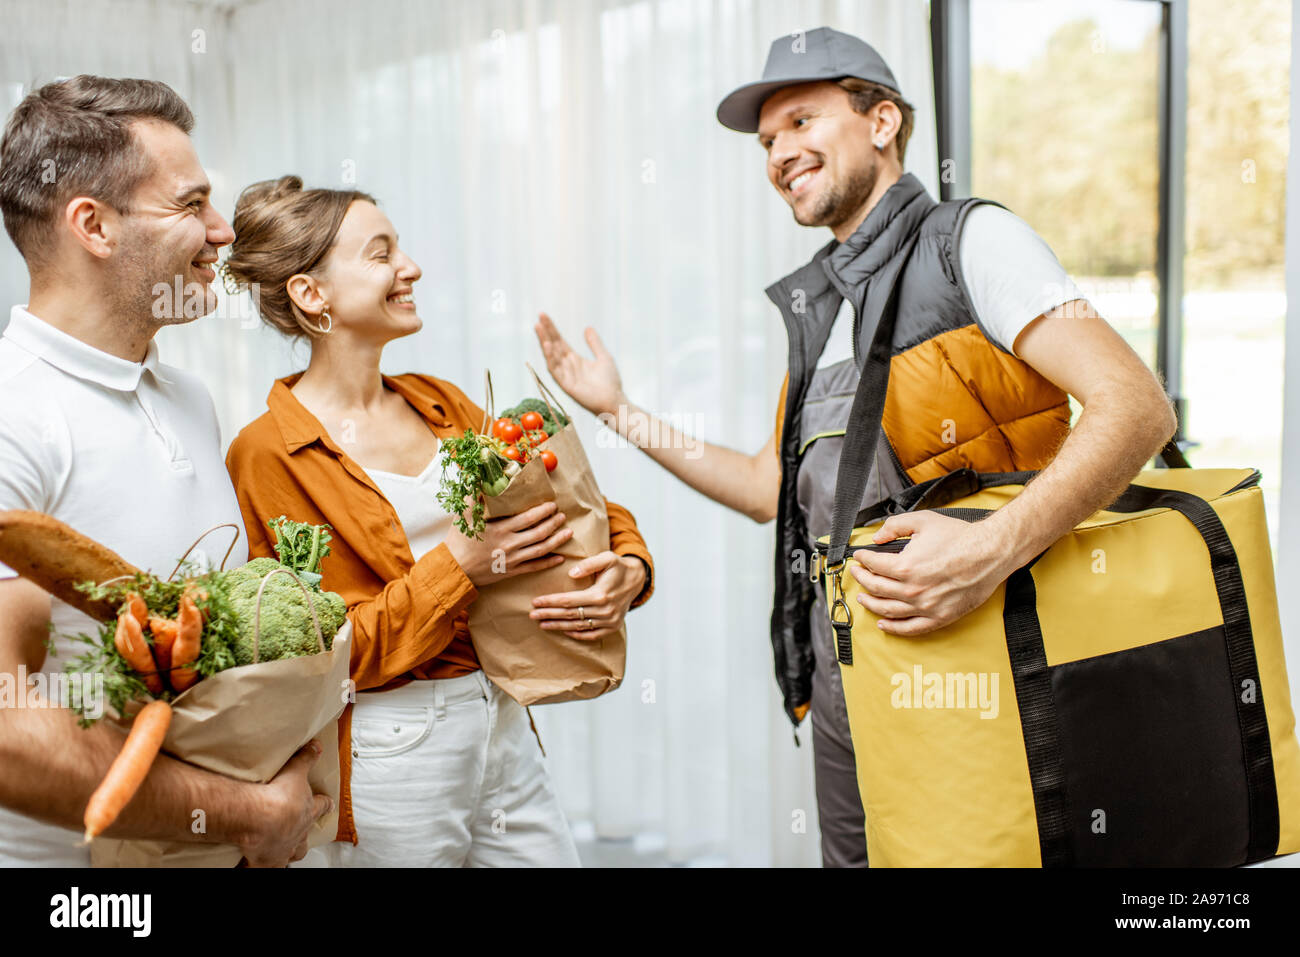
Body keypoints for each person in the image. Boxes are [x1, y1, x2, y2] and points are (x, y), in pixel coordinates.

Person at [535, 26, 1176, 867]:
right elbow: (775, 490)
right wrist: (622, 412)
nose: (779, 153)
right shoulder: (824, 308)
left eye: (801, 122)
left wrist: (990, 549)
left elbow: (1136, 407)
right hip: (849, 673)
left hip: (986, 654)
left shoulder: (971, 242)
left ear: (882, 123)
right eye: (768, 141)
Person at [221, 176, 655, 867]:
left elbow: (567, 499)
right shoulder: (267, 453)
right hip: (391, 749)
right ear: (312, 295)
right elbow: (319, 654)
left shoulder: (441, 404)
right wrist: (461, 566)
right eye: (381, 253)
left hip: (501, 715)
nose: (410, 268)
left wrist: (629, 566)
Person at [0, 76, 332, 866]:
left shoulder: (187, 397)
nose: (222, 232)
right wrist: (243, 812)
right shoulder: (13, 413)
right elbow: (6, 729)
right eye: (192, 205)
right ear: (94, 225)